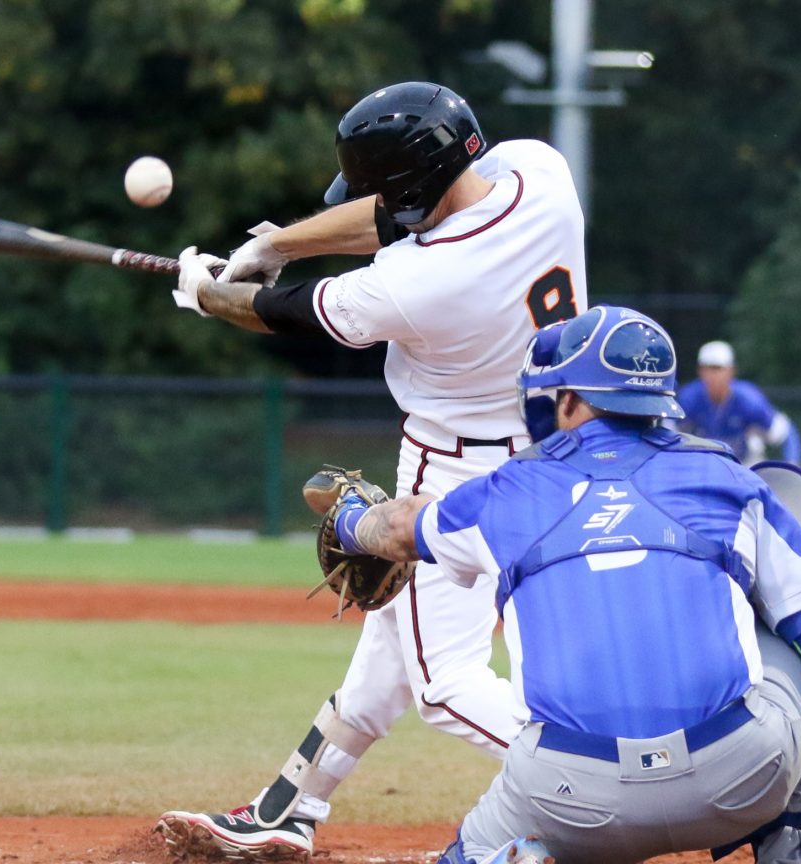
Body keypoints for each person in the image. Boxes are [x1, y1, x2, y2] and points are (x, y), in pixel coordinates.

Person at [155, 81, 587, 860]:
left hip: (451, 480)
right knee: (390, 653)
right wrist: (278, 243)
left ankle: (586, 786)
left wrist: (211, 292)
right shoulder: (540, 176)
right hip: (555, 458)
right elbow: (399, 211)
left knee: (444, 680)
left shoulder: (421, 280)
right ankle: (287, 808)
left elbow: (284, 312)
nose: (380, 202)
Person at [322, 305, 801, 864]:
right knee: (794, 623)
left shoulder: (509, 490)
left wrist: (348, 519)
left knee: (478, 848)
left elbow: (397, 529)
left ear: (567, 399)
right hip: (738, 782)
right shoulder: (725, 477)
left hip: (570, 796)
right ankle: (792, 839)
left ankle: (500, 856)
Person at [676, 340, 801, 466]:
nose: (713, 374)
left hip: (747, 469)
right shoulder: (689, 399)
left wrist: (793, 466)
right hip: (705, 469)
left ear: (731, 371)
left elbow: (786, 433)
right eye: (707, 368)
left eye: (718, 368)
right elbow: (668, 435)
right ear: (700, 371)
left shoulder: (749, 401)